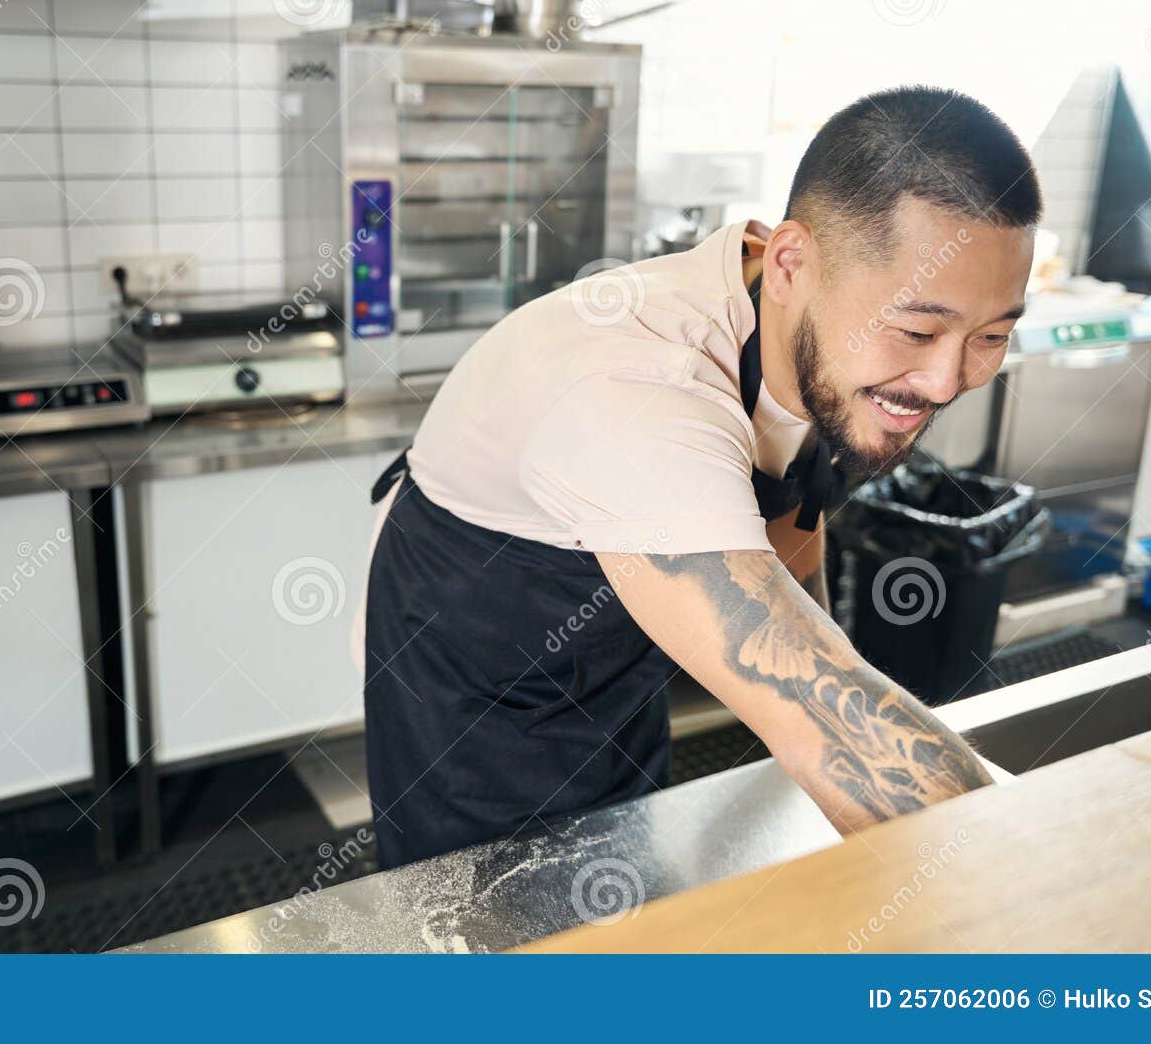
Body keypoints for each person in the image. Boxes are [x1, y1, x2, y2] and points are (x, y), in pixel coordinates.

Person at [359, 86, 1041, 868]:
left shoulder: (824, 347)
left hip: (618, 661)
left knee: (622, 889)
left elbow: (795, 548)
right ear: (790, 262)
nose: (947, 379)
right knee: (493, 938)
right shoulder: (642, 393)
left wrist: (818, 682)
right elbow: (825, 712)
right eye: (918, 329)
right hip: (479, 692)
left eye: (990, 336)